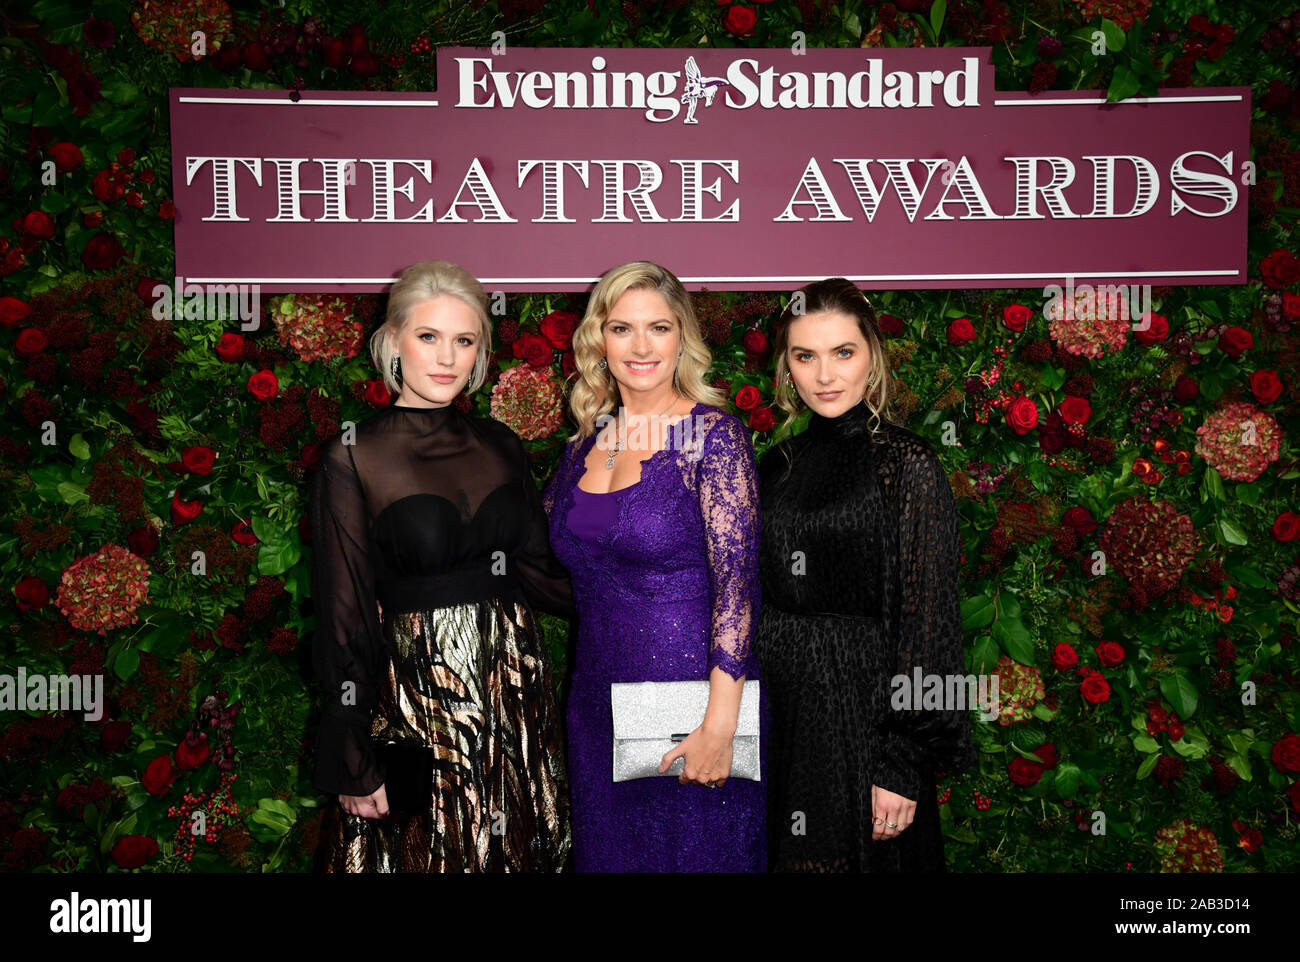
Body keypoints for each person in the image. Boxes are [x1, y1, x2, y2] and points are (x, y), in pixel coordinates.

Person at [309, 260, 574, 872]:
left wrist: (656, 594)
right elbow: (345, 612)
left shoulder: (501, 444)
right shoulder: (355, 454)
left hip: (515, 688)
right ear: (392, 342)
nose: (447, 358)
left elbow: (541, 574)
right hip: (420, 696)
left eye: (464, 340)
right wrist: (351, 748)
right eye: (428, 336)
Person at [543, 261, 767, 872]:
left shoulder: (713, 439)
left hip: (692, 705)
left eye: (659, 328)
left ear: (682, 338)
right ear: (599, 340)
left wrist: (720, 726)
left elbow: (739, 588)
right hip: (597, 704)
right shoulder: (583, 445)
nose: (641, 347)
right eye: (622, 329)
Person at [754, 277, 975, 872]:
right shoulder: (775, 465)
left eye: (843, 353)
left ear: (872, 355)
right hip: (782, 713)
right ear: (786, 366)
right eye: (805, 356)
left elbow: (929, 621)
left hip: (863, 720)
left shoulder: (907, 463)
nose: (825, 375)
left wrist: (902, 762)